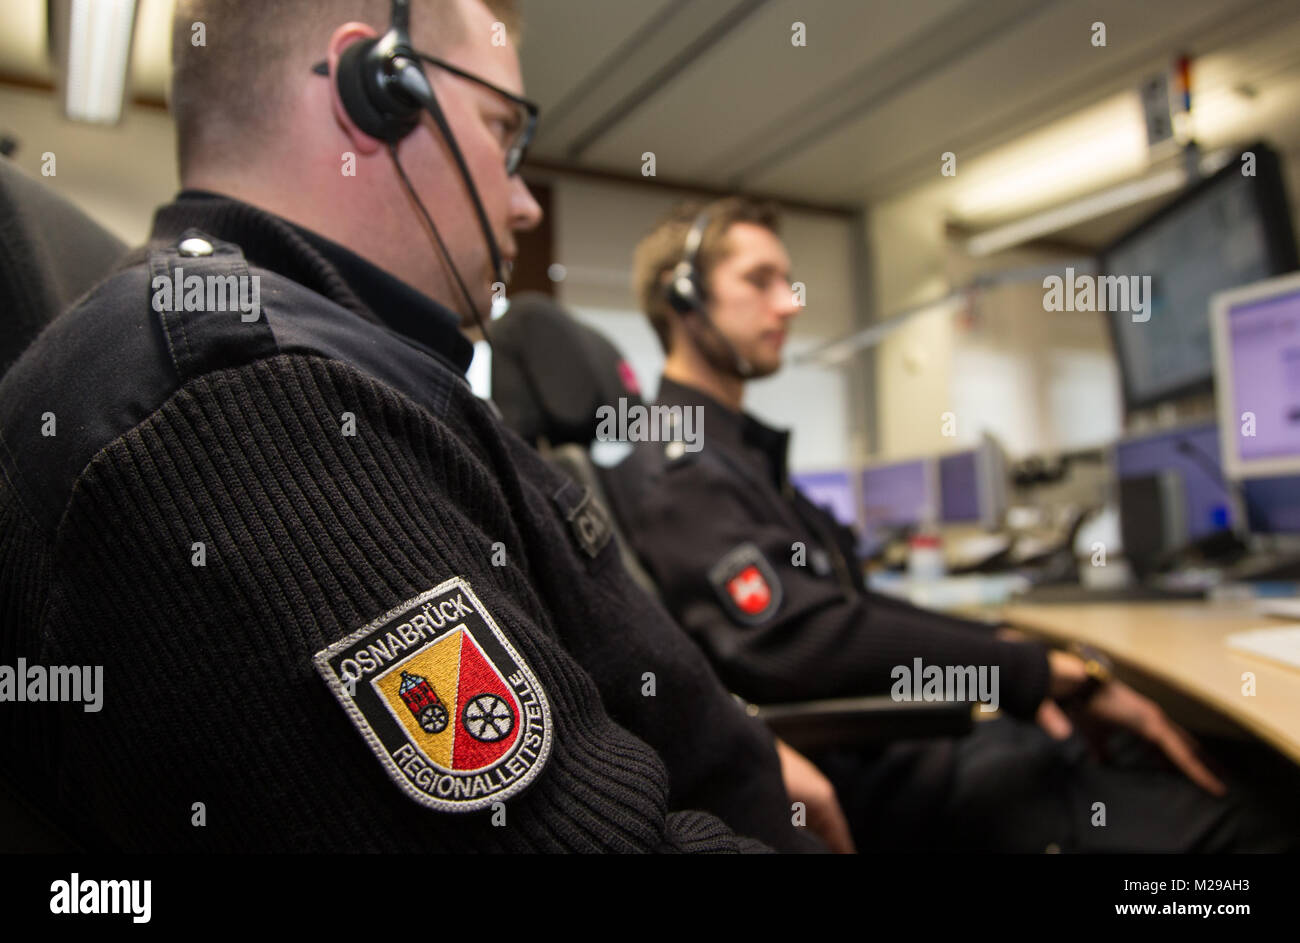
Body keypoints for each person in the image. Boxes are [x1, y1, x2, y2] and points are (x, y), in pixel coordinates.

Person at [0, 0, 842, 853]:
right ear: (372, 92)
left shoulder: (362, 368)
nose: (520, 201)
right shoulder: (240, 400)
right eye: (501, 129)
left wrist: (754, 755)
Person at [617, 196, 1294, 852]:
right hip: (907, 776)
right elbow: (799, 635)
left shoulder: (734, 455)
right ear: (683, 298)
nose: (789, 303)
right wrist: (1034, 671)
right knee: (1260, 820)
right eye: (759, 281)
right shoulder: (681, 467)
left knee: (1220, 765)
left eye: (788, 281)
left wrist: (1007, 648)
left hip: (928, 742)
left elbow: (855, 606)